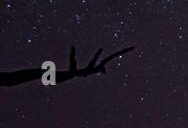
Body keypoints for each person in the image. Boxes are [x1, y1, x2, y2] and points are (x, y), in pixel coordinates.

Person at [0, 45, 133, 88]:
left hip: (58, 76)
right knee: (25, 75)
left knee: (25, 75)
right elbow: (103, 59)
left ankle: (7, 79)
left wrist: (73, 55)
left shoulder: (82, 71)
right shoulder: (85, 72)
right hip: (58, 77)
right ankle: (7, 79)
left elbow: (75, 66)